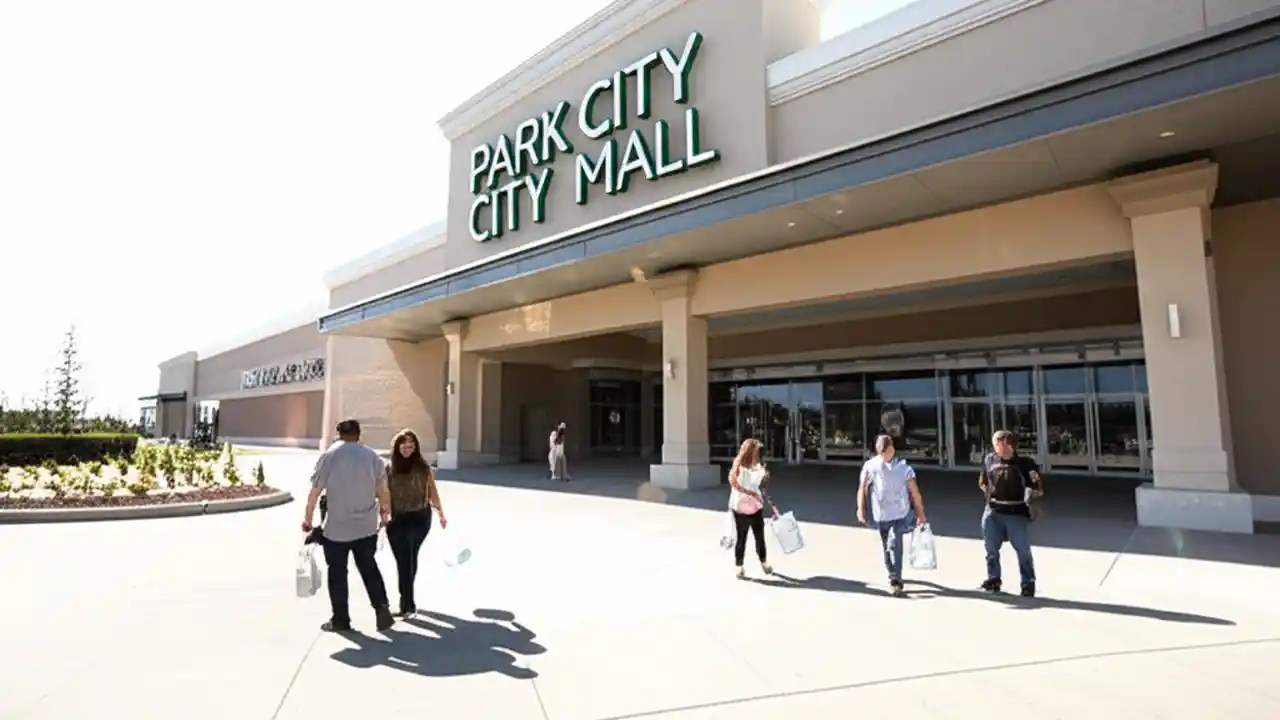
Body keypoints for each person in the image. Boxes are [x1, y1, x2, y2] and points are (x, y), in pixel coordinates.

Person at [301, 419, 394, 632]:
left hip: (337, 527)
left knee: (337, 573)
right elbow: (382, 489)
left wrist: (308, 519)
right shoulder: (372, 456)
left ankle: (341, 619)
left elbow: (315, 491)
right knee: (369, 568)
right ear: (359, 434)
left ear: (338, 434)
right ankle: (382, 610)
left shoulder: (329, 457)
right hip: (366, 525)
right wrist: (384, 513)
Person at [386, 428, 448, 618]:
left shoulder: (423, 467)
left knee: (408, 556)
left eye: (411, 446)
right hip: (396, 519)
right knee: (404, 560)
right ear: (397, 447)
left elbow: (432, 491)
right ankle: (407, 601)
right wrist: (382, 515)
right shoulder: (389, 468)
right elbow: (384, 493)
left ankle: (407, 604)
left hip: (419, 517)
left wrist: (441, 513)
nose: (407, 449)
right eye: (404, 445)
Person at [857, 434, 927, 597]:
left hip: (899, 513)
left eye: (887, 452)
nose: (885, 456)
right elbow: (863, 488)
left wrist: (920, 512)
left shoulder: (903, 468)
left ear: (892, 449)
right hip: (881, 514)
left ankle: (896, 579)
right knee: (886, 546)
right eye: (881, 453)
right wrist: (861, 509)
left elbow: (914, 491)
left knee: (894, 543)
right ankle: (892, 572)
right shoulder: (871, 466)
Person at [978, 429, 1045, 598]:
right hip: (993, 512)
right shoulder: (989, 460)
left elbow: (1039, 488)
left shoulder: (1025, 464)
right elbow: (983, 482)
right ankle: (993, 579)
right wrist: (989, 495)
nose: (996, 448)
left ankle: (1028, 582)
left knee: (1023, 550)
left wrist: (1030, 495)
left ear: (1009, 445)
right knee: (991, 549)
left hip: (1016, 513)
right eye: (995, 445)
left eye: (998, 445)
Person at [727, 438, 774, 580]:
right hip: (744, 506)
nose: (758, 454)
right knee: (744, 537)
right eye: (756, 451)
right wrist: (749, 492)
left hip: (751, 506)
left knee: (757, 537)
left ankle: (761, 562)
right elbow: (733, 482)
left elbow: (762, 485)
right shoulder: (740, 465)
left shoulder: (757, 466)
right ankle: (741, 566)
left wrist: (765, 478)